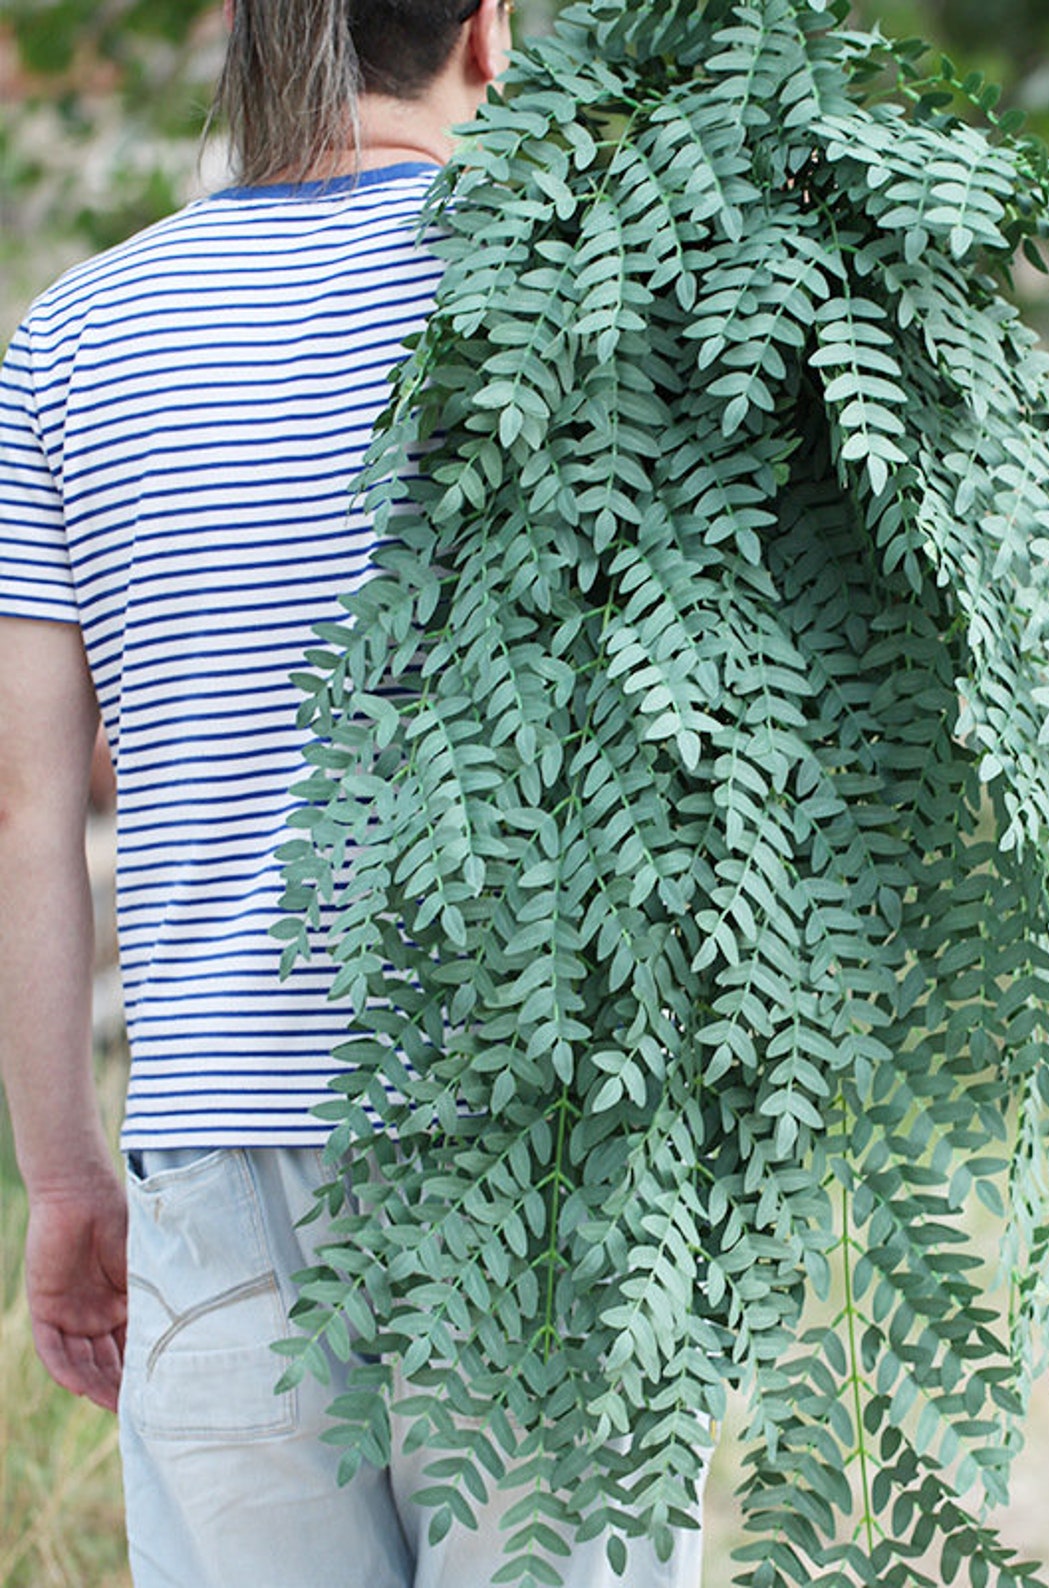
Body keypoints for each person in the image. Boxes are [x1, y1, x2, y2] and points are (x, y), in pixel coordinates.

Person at [0, 4, 704, 1584]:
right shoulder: (604, 295)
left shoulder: (71, 339)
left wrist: (62, 1175)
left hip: (221, 1175)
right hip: (544, 1148)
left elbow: (25, 812)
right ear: (487, 32)